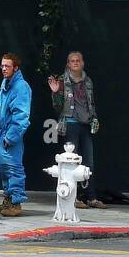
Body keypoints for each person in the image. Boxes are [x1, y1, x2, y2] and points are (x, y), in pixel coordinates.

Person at [49, 51, 105, 209]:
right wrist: (55, 93)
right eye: (71, 61)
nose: (75, 63)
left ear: (82, 63)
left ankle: (91, 197)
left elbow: (91, 103)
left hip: (86, 124)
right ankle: (71, 197)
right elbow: (57, 107)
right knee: (70, 161)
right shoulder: (62, 81)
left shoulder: (88, 81)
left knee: (89, 162)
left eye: (77, 60)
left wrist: (94, 117)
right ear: (67, 64)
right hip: (70, 123)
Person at [0, 53, 31, 217]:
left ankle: (16, 203)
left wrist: (10, 138)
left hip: (9, 136)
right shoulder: (5, 85)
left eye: (7, 66)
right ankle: (8, 199)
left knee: (13, 168)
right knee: (4, 168)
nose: (3, 69)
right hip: (2, 134)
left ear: (16, 68)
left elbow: (21, 116)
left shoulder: (21, 87)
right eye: (2, 65)